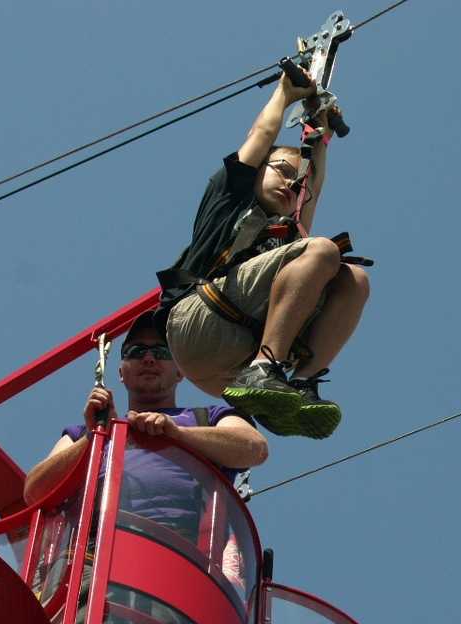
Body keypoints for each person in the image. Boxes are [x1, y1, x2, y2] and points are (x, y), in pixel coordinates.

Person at [24, 311, 267, 624]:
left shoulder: (207, 417)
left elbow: (252, 447)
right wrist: (95, 437)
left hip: (174, 555)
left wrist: (175, 432)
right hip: (90, 554)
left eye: (162, 351)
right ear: (121, 371)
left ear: (180, 369)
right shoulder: (85, 433)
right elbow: (36, 489)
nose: (149, 358)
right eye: (137, 351)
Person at [154, 69, 371, 440]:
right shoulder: (230, 197)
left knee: (354, 279)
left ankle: (300, 383)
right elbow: (261, 136)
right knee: (322, 250)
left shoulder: (288, 233)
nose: (290, 182)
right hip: (197, 324)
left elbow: (312, 186)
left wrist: (322, 133)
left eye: (295, 180)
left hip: (228, 362)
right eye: (282, 171)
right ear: (258, 173)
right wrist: (285, 93)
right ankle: (266, 368)